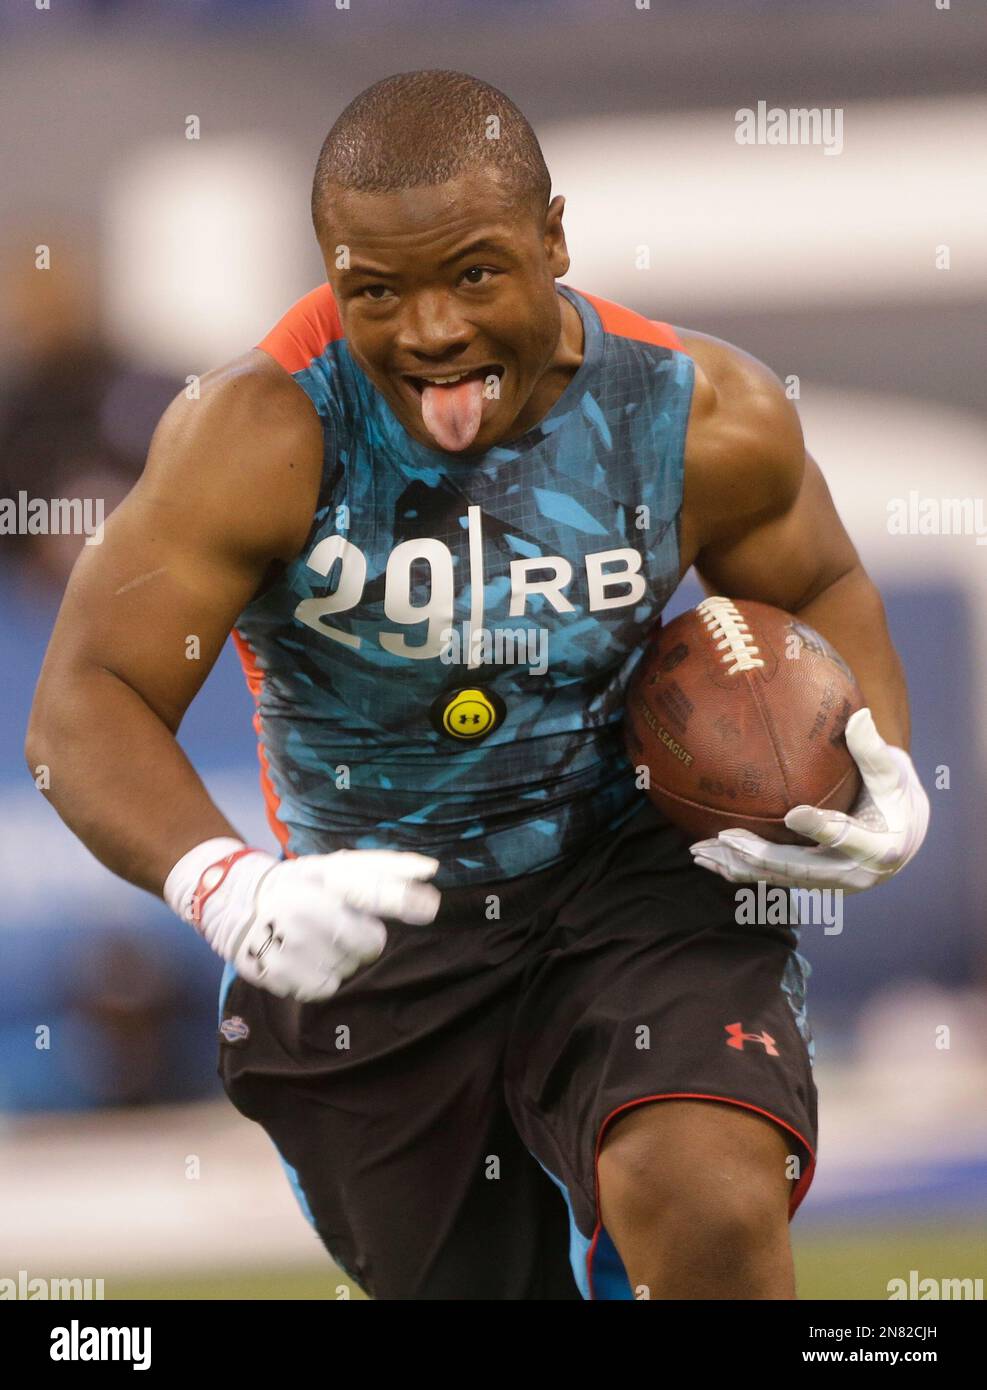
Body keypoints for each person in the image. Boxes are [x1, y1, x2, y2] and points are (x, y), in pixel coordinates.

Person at [27, 69, 929, 1300]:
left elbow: (822, 583)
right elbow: (87, 696)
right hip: (376, 933)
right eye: (376, 293)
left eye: (473, 274)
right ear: (328, 275)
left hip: (633, 884)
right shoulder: (258, 432)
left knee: (708, 1201)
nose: (431, 330)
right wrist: (225, 884)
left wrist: (877, 777)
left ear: (556, 237)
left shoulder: (697, 412)